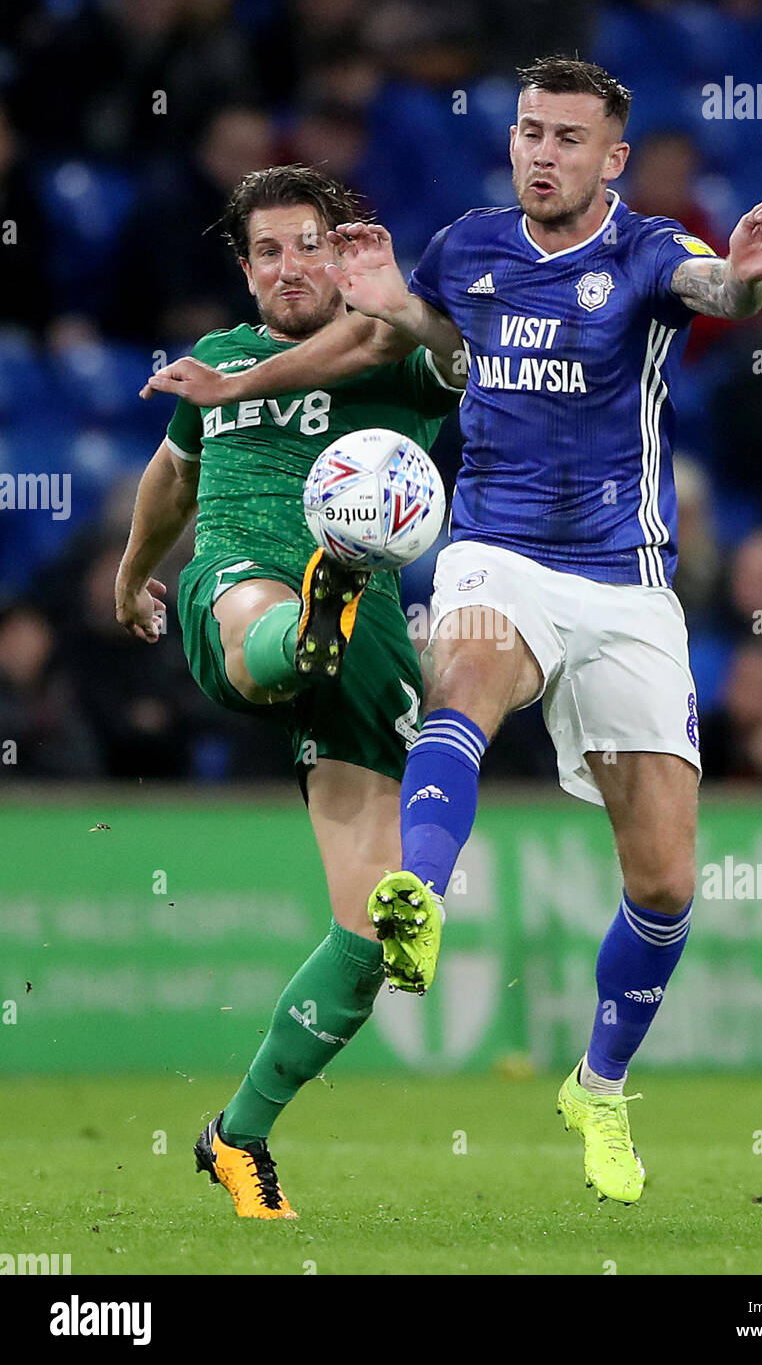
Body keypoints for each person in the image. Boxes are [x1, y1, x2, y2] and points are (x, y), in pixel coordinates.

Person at [146, 55, 762, 1204]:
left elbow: (716, 293)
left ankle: (598, 1084)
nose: (541, 153)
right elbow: (371, 343)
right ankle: (423, 893)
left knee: (663, 886)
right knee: (466, 678)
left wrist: (745, 283)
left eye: (567, 138)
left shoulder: (647, 251)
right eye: (528, 132)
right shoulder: (468, 247)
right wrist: (263, 379)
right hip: (497, 546)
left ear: (612, 158)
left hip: (626, 578)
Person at [120, 163, 462, 1219]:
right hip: (242, 582)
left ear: (338, 247)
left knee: (367, 937)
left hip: (362, 645)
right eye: (265, 251)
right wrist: (134, 575)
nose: (285, 267)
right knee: (253, 615)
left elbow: (458, 354)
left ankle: (237, 1134)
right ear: (246, 268)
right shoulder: (217, 359)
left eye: (305, 244)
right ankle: (303, 621)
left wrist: (401, 296)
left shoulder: (391, 351)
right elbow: (173, 480)